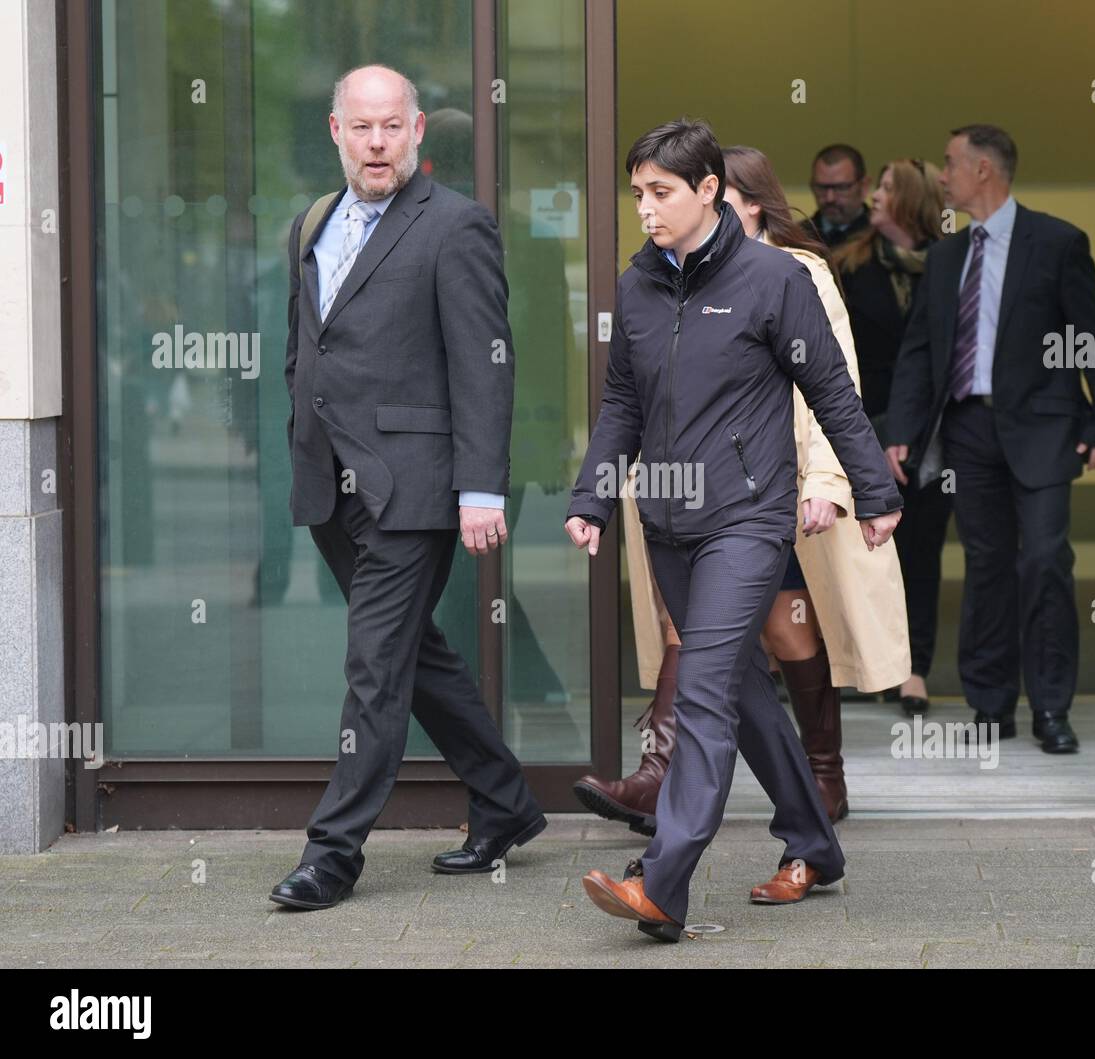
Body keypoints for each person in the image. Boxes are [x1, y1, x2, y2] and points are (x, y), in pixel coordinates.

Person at [565, 120, 902, 942]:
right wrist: (594, 497)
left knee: (707, 694)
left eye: (661, 192)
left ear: (710, 190)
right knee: (745, 691)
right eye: (638, 192)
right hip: (668, 523)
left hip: (749, 522)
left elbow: (830, 389)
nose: (644, 208)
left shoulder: (771, 279)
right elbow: (621, 406)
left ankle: (662, 883)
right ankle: (815, 843)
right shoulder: (638, 285)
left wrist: (872, 488)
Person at [271, 64, 545, 911]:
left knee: (374, 667)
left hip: (415, 490)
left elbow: (483, 367)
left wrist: (481, 491)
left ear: (419, 131)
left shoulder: (456, 226)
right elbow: (305, 345)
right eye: (363, 127)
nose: (378, 142)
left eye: (393, 126)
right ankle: (505, 800)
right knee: (411, 654)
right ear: (337, 132)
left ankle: (333, 852)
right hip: (333, 484)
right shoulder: (309, 224)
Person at [884, 124, 1095, 753]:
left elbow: (1092, 338)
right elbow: (918, 354)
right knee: (986, 565)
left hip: (1045, 427)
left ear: (983, 170)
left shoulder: (1057, 242)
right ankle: (991, 706)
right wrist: (902, 432)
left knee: (1044, 561)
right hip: (967, 430)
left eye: (950, 162)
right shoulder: (944, 256)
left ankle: (1051, 709)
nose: (942, 175)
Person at [833, 158, 951, 715]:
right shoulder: (852, 265)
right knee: (865, 550)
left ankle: (912, 670)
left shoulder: (952, 265)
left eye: (883, 188)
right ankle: (866, 663)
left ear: (910, 200)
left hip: (936, 434)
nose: (872, 196)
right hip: (862, 424)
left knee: (921, 551)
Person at [800, 144, 872, 247]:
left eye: (841, 188)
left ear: (864, 186)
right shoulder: (798, 238)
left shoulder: (883, 238)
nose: (830, 198)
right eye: (821, 187)